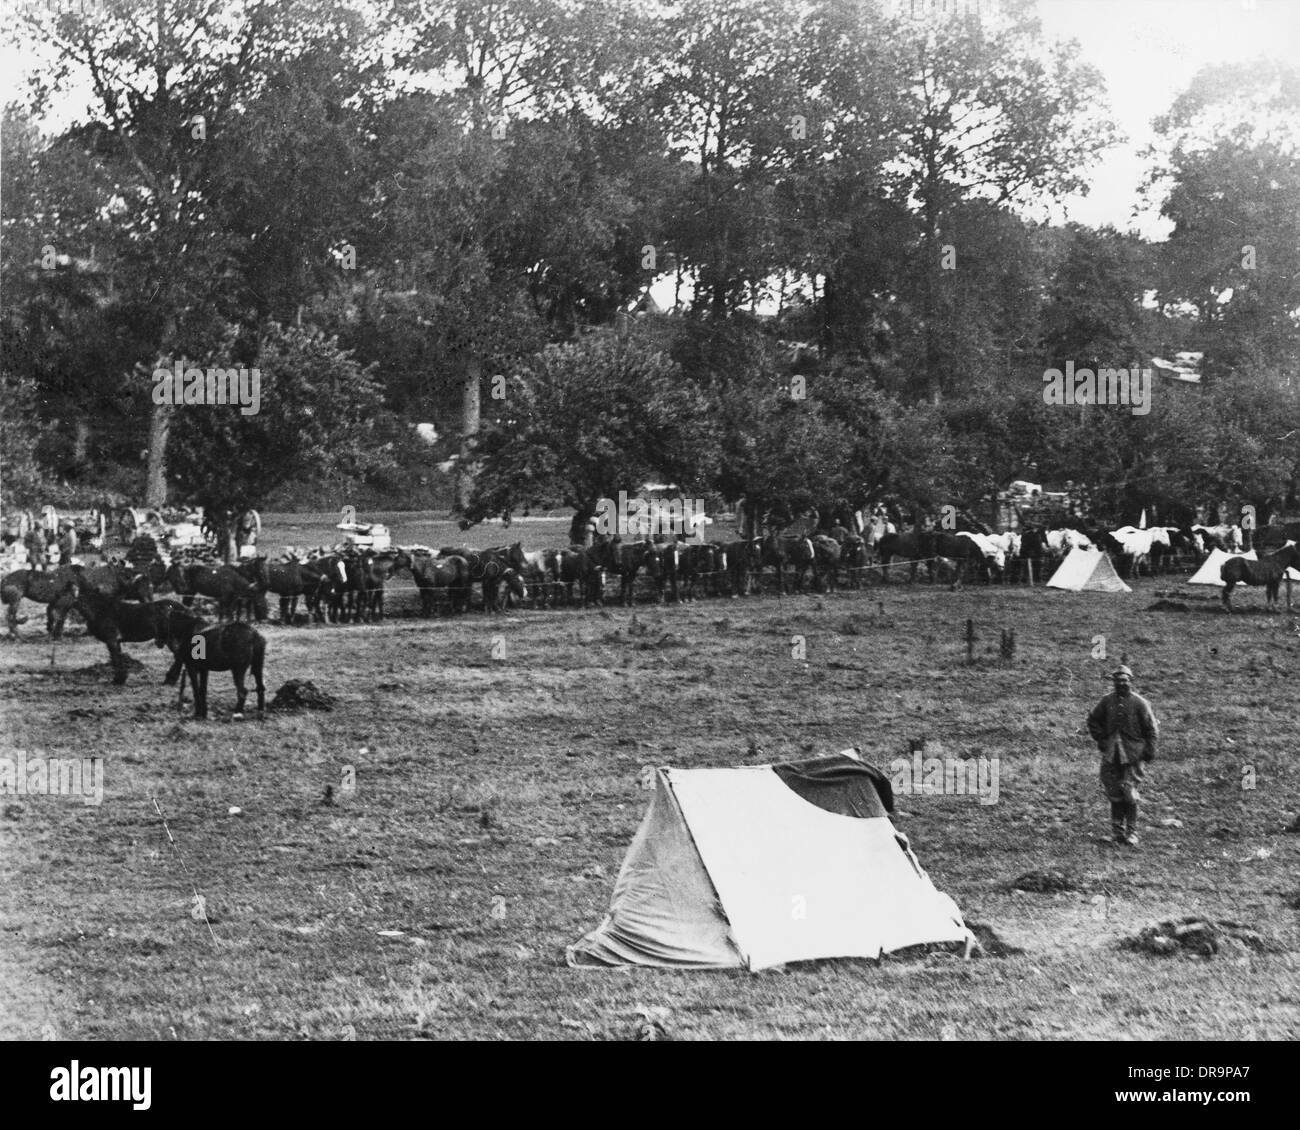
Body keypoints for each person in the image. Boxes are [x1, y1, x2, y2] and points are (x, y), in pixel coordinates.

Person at [1086, 665, 1159, 846]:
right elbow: (1093, 720)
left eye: (1124, 680)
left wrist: (1149, 750)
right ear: (1114, 682)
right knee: (1113, 791)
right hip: (1112, 753)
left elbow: (1151, 729)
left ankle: (1132, 833)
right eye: (1118, 680)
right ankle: (1117, 833)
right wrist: (1101, 738)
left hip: (1133, 754)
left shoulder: (1140, 703)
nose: (1121, 683)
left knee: (1129, 791)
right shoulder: (1106, 701)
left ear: (1130, 681)